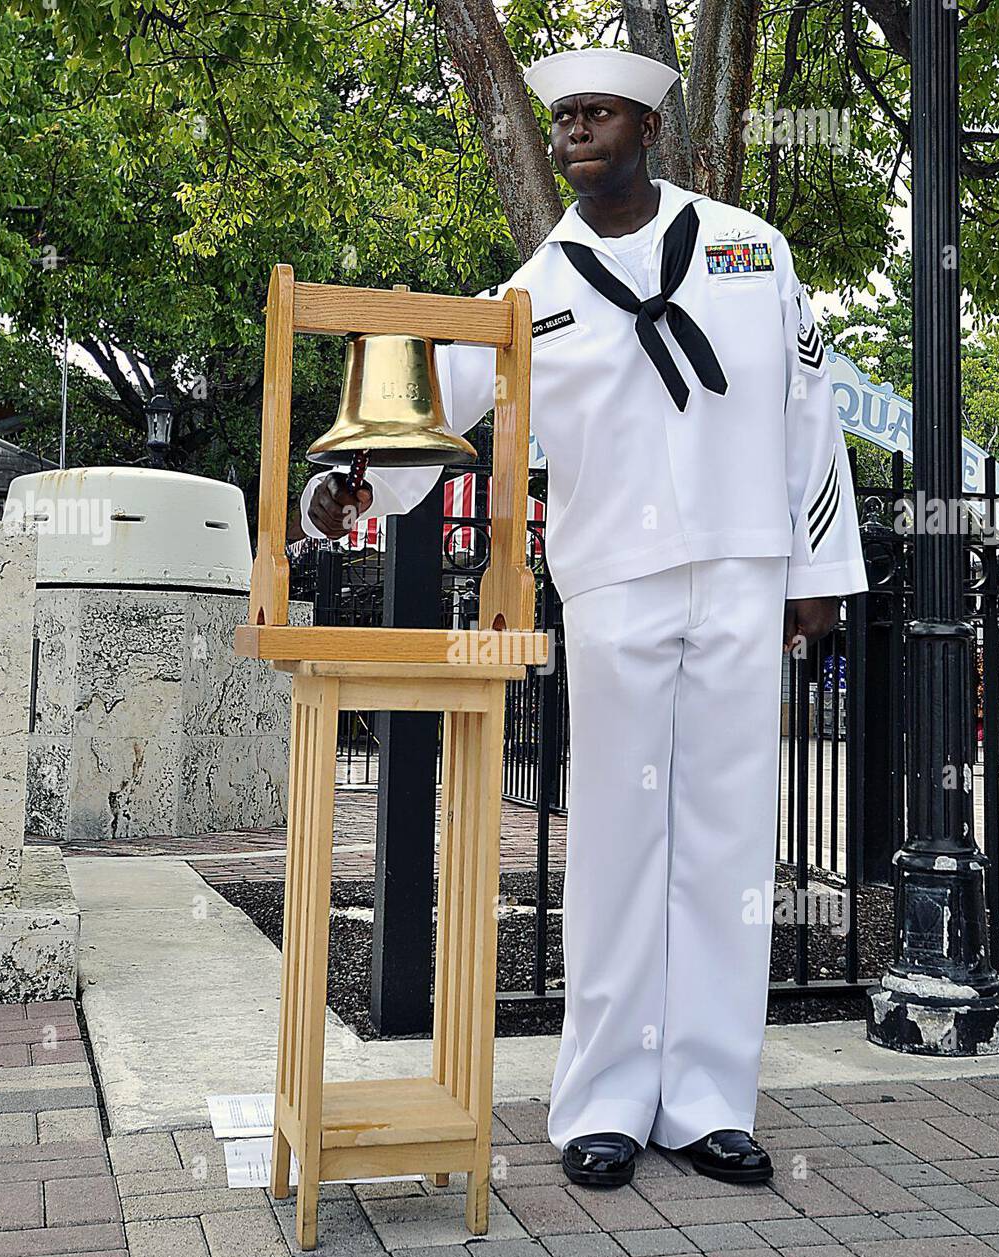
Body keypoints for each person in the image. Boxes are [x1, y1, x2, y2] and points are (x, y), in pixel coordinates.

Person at [301, 46, 868, 1189]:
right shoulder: (535, 290)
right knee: (615, 837)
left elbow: (811, 407)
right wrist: (345, 483)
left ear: (648, 130)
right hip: (614, 576)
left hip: (745, 567)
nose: (572, 134)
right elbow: (436, 400)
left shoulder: (752, 248)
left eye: (596, 116)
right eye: (562, 120)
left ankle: (709, 1099)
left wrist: (821, 566)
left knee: (723, 839)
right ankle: (603, 1101)